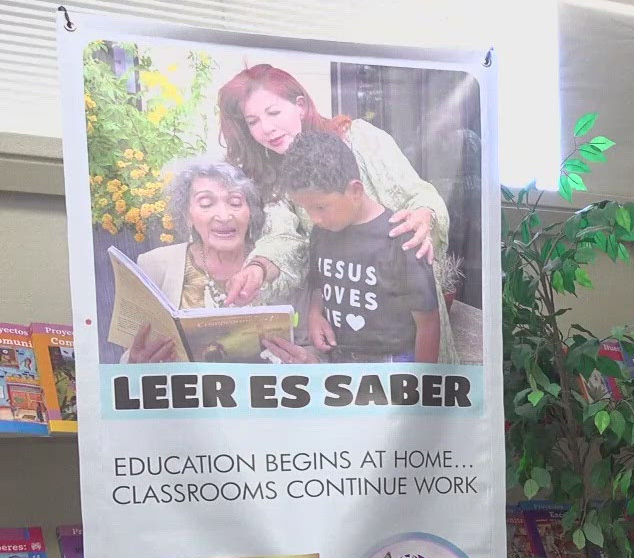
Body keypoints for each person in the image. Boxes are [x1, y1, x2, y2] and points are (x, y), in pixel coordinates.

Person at [214, 65, 447, 309]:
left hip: (405, 304)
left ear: (301, 106)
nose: (267, 128)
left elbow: (417, 193)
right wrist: (259, 268)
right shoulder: (274, 175)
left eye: (273, 112)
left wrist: (424, 215)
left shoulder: (358, 138)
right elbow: (283, 238)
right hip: (343, 310)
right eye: (253, 122)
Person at [280, 130, 441, 363]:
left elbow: (428, 323)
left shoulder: (402, 237)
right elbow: (319, 283)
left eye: (321, 207)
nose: (314, 218)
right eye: (306, 209)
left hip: (393, 364)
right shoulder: (321, 233)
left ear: (355, 190)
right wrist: (316, 314)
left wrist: (423, 389)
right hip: (340, 361)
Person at [125, 159, 293, 363]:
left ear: (250, 212)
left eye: (235, 202)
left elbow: (307, 346)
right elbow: (130, 352)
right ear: (188, 216)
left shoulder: (277, 261)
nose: (224, 216)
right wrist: (134, 364)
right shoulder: (155, 265)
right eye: (206, 203)